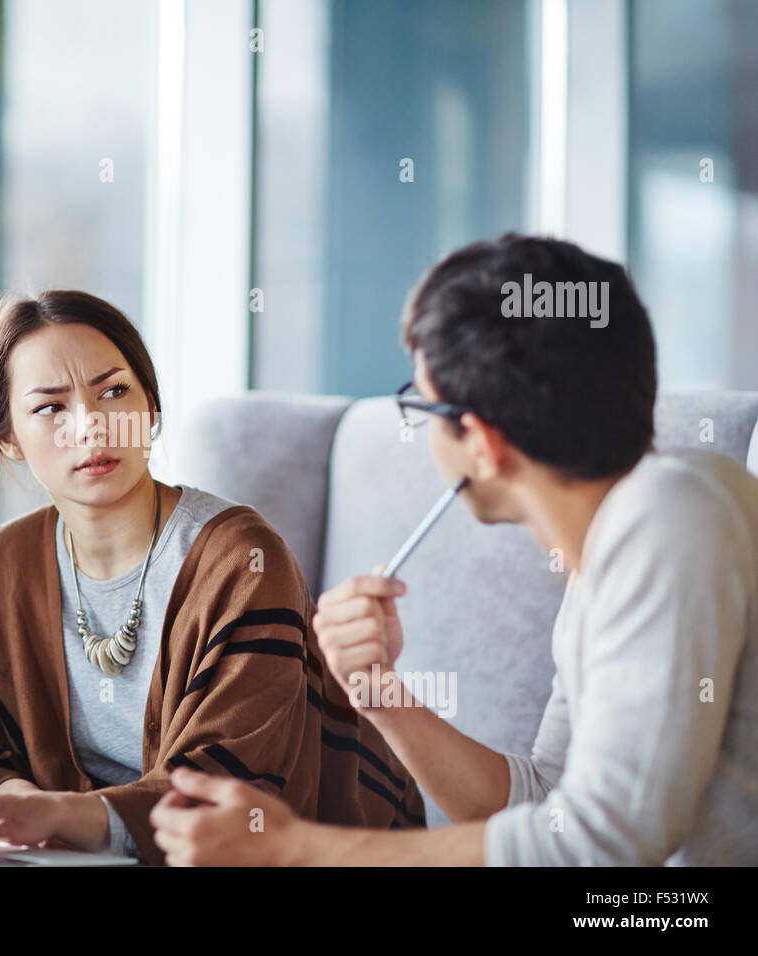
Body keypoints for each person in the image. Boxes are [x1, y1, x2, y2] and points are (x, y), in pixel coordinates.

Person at [150, 234, 758, 865]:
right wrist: (377, 691)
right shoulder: (633, 529)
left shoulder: (668, 519)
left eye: (422, 403)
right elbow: (546, 806)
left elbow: (601, 843)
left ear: (482, 443)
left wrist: (297, 850)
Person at [0, 290, 424, 865]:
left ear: (151, 409)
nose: (90, 427)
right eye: (50, 407)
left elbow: (229, 796)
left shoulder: (242, 559)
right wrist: (24, 810)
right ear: (9, 437)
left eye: (114, 392)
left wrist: (56, 815)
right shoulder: (9, 562)